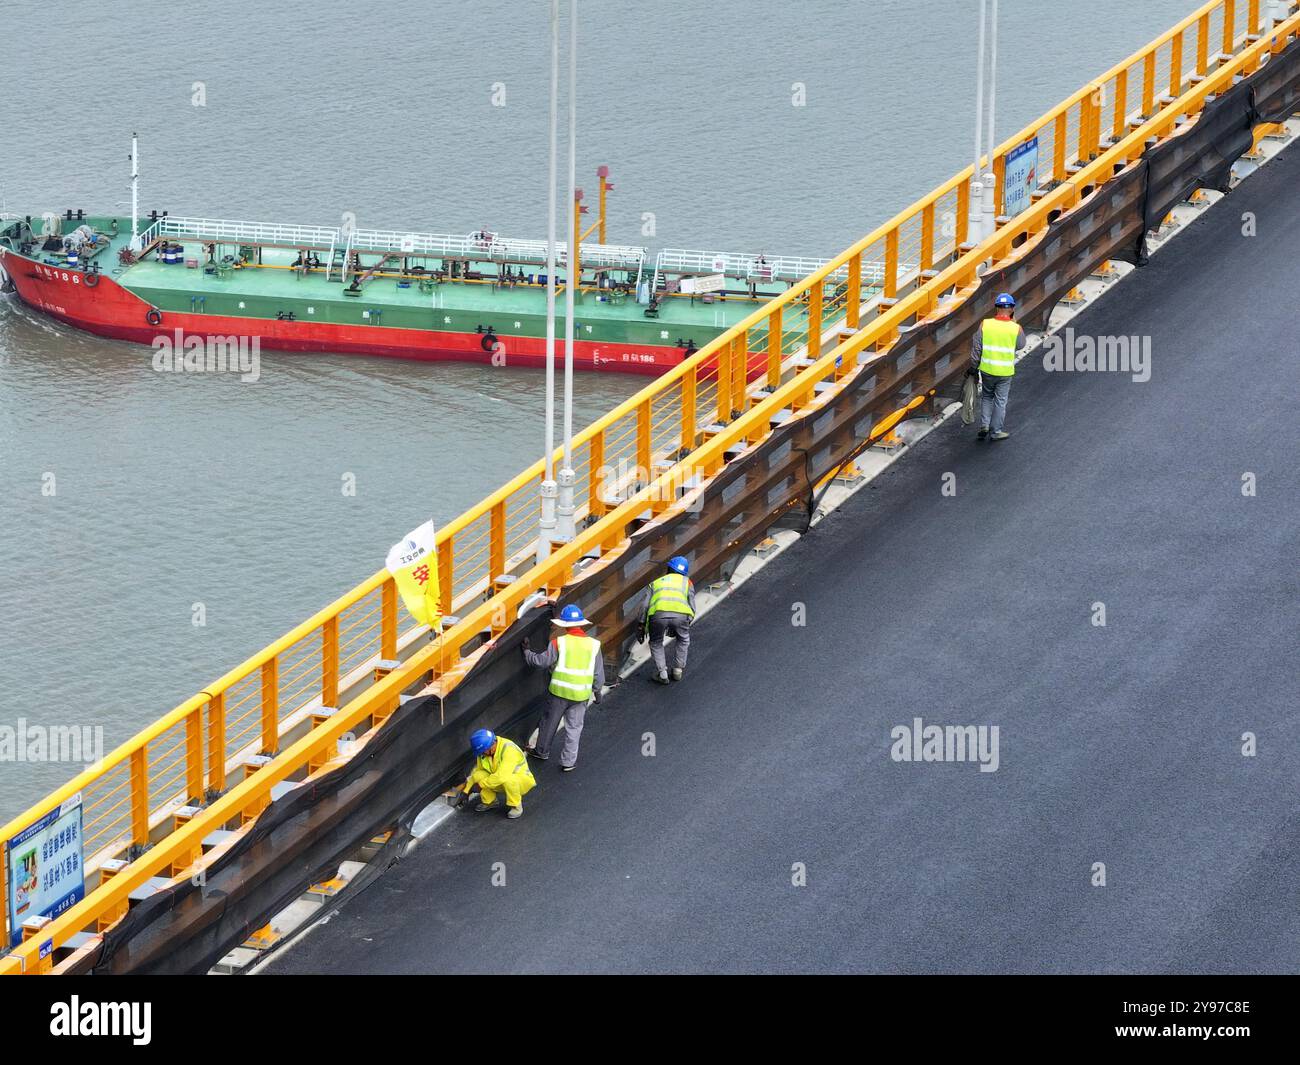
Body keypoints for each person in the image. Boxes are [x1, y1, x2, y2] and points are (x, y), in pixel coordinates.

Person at [523, 604, 604, 773]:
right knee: (574, 728)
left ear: (565, 625)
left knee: (549, 723)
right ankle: (568, 762)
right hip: (581, 694)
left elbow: (541, 662)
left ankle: (542, 751)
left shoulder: (559, 642)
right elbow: (598, 674)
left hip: (559, 693)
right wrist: (597, 692)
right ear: (581, 624)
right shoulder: (594, 645)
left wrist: (527, 652)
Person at [970, 292, 1028, 441]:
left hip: (987, 370)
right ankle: (996, 432)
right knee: (1000, 401)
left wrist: (974, 366)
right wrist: (1014, 322)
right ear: (1012, 309)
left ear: (996, 308)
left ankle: (984, 425)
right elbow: (1021, 345)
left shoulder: (985, 324)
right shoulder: (1016, 328)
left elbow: (977, 347)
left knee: (987, 397)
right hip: (1005, 372)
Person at [640, 556, 696, 684]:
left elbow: (644, 606)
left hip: (658, 615)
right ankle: (677, 670)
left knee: (656, 642)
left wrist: (641, 624)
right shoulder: (687, 582)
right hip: (681, 615)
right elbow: (692, 606)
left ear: (669, 568)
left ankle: (662, 673)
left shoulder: (656, 582)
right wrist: (686, 622)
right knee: (683, 639)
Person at [457, 728, 535, 819]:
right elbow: (477, 772)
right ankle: (490, 801)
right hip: (499, 779)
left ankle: (516, 806)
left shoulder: (509, 750)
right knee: (480, 776)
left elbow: (502, 776)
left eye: (482, 752)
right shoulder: (484, 753)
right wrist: (466, 790)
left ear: (490, 746)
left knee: (508, 780)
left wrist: (480, 785)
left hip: (521, 780)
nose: (481, 754)